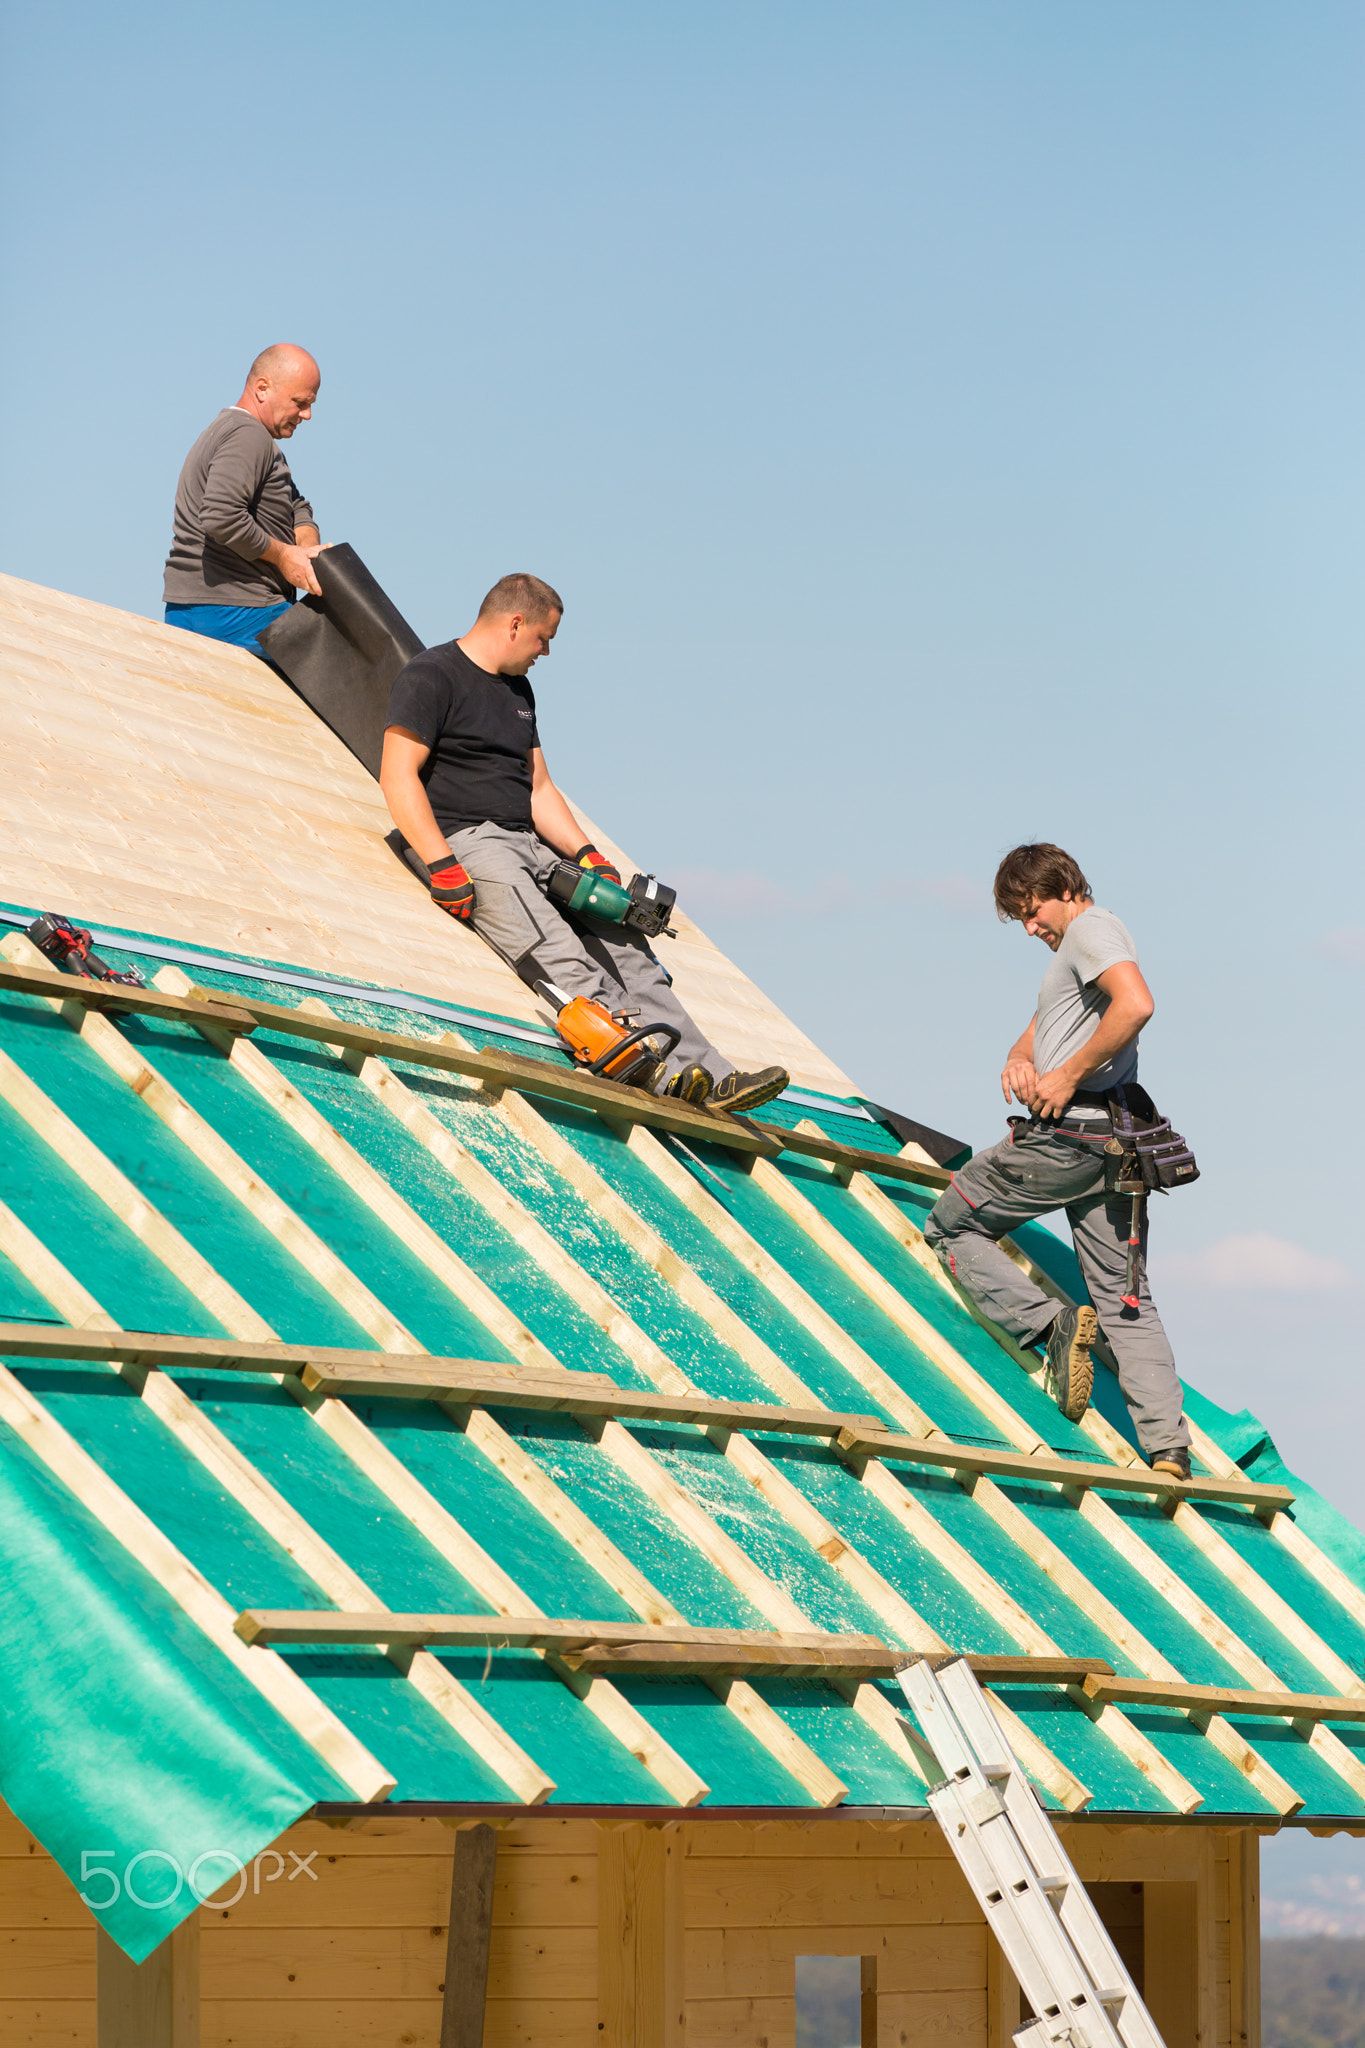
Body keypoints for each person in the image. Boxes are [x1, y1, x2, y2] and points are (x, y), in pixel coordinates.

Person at [379, 573, 790, 1113]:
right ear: (515, 623)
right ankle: (653, 1071)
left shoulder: (518, 691)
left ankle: (711, 1079)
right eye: (543, 639)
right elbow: (397, 774)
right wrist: (442, 864)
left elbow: (539, 787)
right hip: (470, 841)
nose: (545, 652)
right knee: (559, 950)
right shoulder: (431, 675)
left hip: (530, 843)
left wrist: (586, 855)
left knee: (625, 939)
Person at [923, 842, 1191, 1478]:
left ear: (1065, 887)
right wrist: (1023, 1055)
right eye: (1018, 915)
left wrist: (1066, 1074)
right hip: (1120, 1149)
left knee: (951, 1224)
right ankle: (1169, 1451)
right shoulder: (1077, 951)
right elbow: (1048, 1020)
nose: (1029, 925)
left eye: (1032, 907)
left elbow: (1137, 1004)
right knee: (1126, 1300)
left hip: (1068, 1138)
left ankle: (1050, 1330)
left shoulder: (1092, 929)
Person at [163, 344, 324, 657]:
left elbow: (296, 506)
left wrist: (305, 551)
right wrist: (283, 557)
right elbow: (222, 517)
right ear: (262, 388)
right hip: (240, 612)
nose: (307, 414)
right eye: (299, 402)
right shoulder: (248, 436)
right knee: (351, 675)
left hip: (196, 608)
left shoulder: (231, 433)